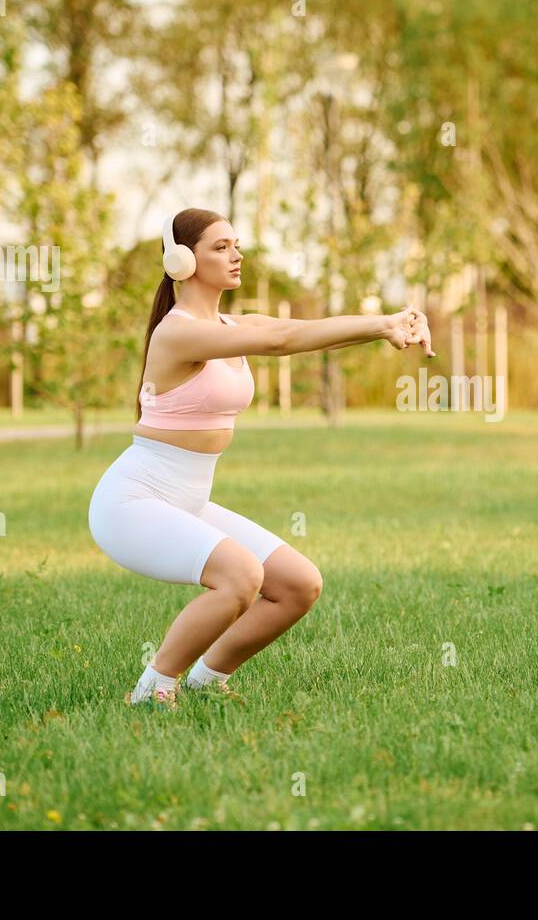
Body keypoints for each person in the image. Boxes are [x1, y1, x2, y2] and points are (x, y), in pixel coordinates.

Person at [88, 207, 433, 707]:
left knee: (298, 585)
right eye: (221, 247)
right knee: (241, 578)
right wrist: (380, 322)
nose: (237, 255)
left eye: (236, 244)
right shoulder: (178, 331)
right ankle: (152, 691)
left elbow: (304, 333)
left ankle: (208, 679)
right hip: (133, 501)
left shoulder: (230, 324)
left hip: (187, 497)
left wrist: (385, 327)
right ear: (183, 260)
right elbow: (281, 340)